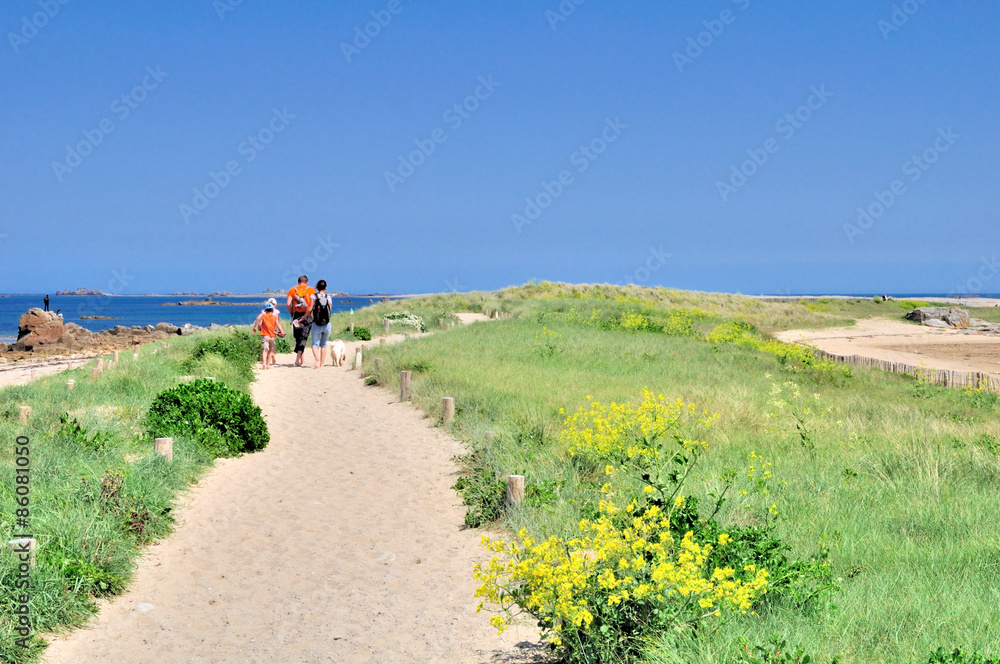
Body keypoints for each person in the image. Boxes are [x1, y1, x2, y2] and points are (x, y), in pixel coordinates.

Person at [286, 275, 316, 367]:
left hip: (296, 315)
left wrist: (292, 314)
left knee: (298, 336)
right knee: (304, 337)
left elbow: (288, 304)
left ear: (298, 282)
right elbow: (312, 305)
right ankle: (298, 359)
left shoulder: (292, 290)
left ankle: (301, 359)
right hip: (307, 316)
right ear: (307, 282)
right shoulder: (311, 290)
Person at [252, 301, 285, 370]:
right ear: (273, 311)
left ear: (265, 310)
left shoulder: (263, 316)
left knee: (265, 349)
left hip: (264, 335)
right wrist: (282, 332)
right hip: (272, 336)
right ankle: (268, 364)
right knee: (271, 350)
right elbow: (278, 324)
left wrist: (258, 328)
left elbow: (260, 325)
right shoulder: (274, 317)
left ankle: (264, 363)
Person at [310, 280, 334, 368]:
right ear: (326, 287)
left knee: (315, 344)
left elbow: (310, 309)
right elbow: (329, 310)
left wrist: (304, 317)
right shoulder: (328, 297)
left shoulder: (313, 296)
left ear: (316, 287)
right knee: (324, 344)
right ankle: (322, 364)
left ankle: (317, 359)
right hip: (327, 324)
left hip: (316, 323)